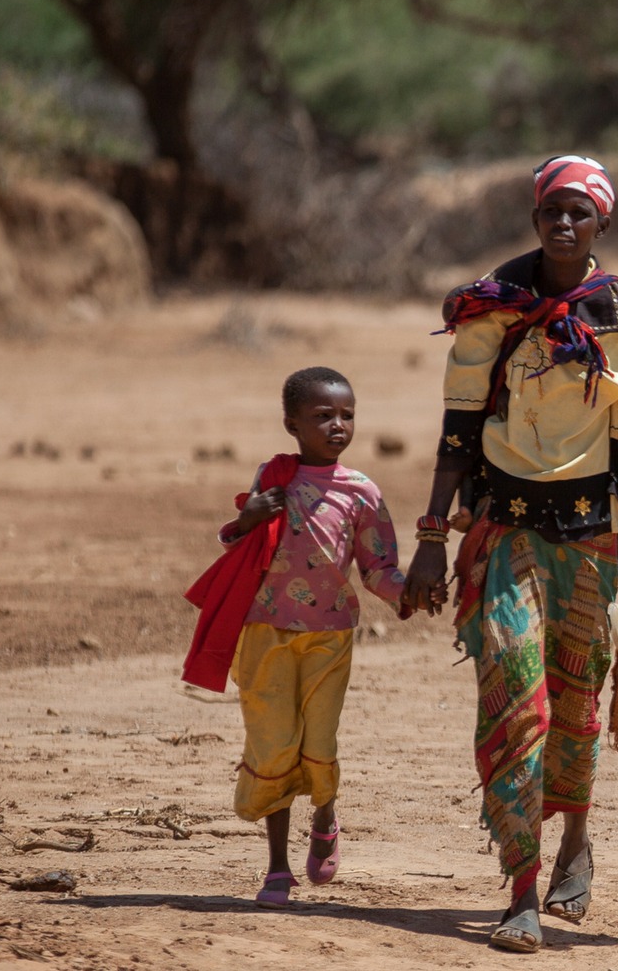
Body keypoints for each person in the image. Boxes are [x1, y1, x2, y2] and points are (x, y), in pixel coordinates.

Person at [404, 155, 618, 953]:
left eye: (578, 213)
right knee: (513, 699)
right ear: (534, 220)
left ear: (602, 225)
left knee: (576, 704)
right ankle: (521, 888)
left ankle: (576, 840)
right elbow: (457, 432)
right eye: (550, 211)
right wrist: (428, 538)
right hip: (502, 534)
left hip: (590, 540)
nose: (563, 224)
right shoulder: (491, 307)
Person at [219, 366, 416, 908]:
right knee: (274, 744)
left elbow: (379, 568)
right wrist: (246, 518)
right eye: (322, 416)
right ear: (292, 424)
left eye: (347, 415)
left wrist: (412, 595)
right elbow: (238, 545)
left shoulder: (362, 492)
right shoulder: (274, 477)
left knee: (319, 741)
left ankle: (325, 814)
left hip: (329, 636)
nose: (337, 425)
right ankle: (277, 867)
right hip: (265, 633)